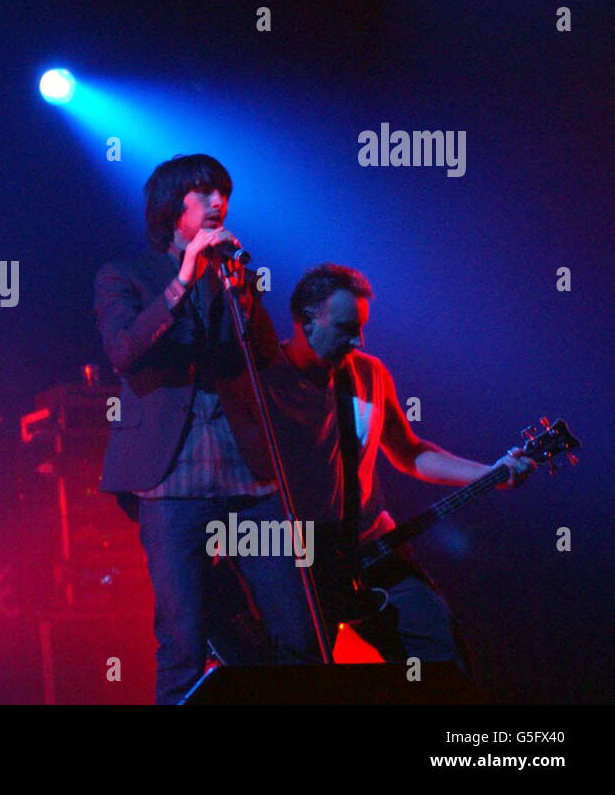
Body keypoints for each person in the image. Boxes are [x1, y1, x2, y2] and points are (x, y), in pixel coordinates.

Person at [94, 154, 317, 704]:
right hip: (172, 482)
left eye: (224, 191)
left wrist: (245, 294)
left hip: (248, 476)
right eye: (203, 192)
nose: (219, 201)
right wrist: (184, 277)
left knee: (298, 628)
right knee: (182, 637)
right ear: (174, 207)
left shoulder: (233, 272)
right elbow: (124, 352)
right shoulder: (126, 274)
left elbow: (268, 360)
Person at [266, 263, 535, 670]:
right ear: (306, 320)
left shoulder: (369, 373)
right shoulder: (265, 381)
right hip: (297, 561)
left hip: (373, 546)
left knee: (440, 659)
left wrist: (489, 473)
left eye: (361, 328)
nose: (358, 340)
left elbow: (409, 453)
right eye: (345, 328)